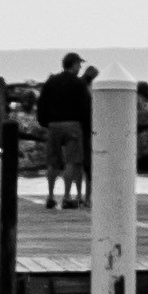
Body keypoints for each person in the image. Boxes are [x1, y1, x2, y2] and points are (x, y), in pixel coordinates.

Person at [35, 50, 93, 210]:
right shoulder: (78, 83)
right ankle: (67, 196)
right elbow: (86, 106)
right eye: (79, 64)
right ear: (74, 64)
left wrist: (44, 122)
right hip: (73, 124)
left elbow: (41, 103)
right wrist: (87, 128)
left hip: (53, 124)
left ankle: (51, 195)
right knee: (71, 161)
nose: (80, 67)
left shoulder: (51, 81)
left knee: (52, 161)